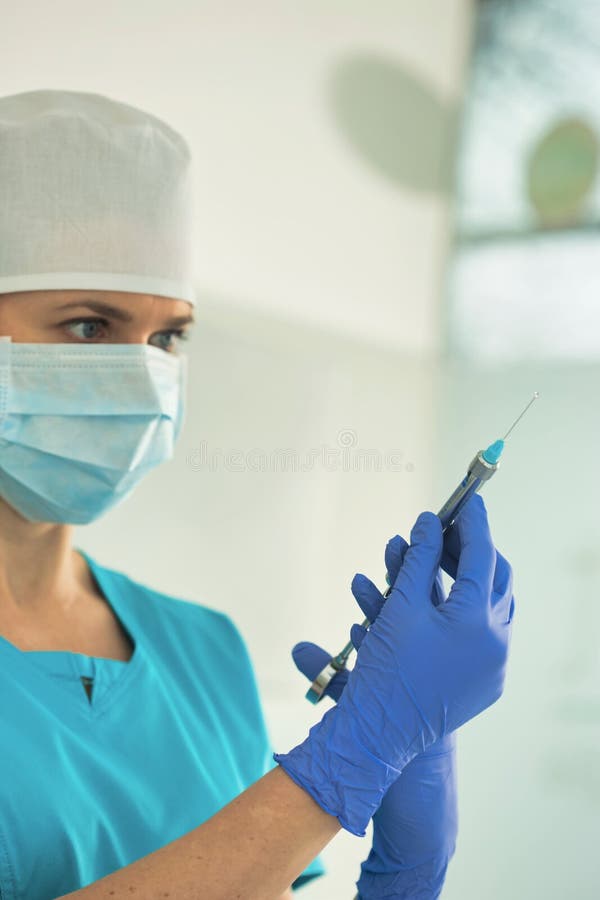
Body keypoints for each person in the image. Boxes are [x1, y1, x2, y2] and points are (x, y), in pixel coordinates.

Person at [0, 90, 515, 900]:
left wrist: (403, 879)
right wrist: (341, 765)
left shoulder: (201, 650)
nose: (145, 376)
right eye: (89, 326)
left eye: (169, 337)